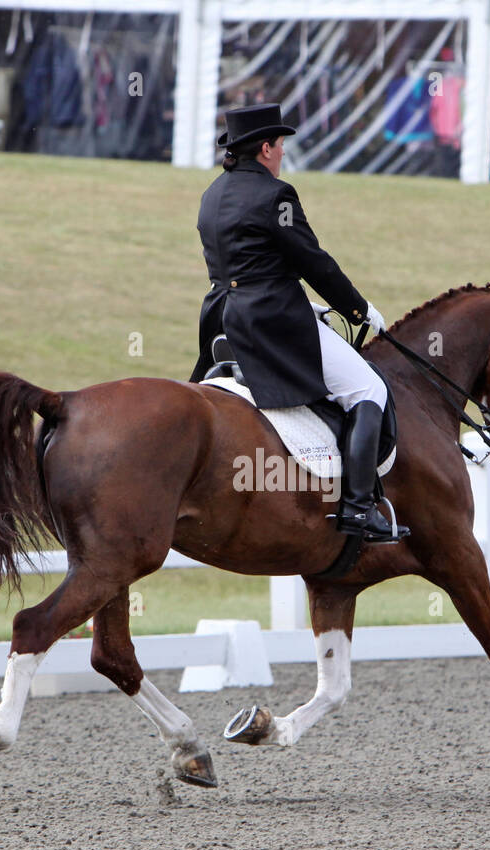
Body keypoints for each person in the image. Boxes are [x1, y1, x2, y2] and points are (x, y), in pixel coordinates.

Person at [190, 103, 406, 544]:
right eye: (282, 145)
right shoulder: (276, 195)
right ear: (266, 148)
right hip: (272, 320)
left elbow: (249, 264)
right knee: (369, 389)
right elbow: (314, 263)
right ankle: (359, 507)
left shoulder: (211, 194)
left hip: (223, 317)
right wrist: (359, 311)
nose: (284, 154)